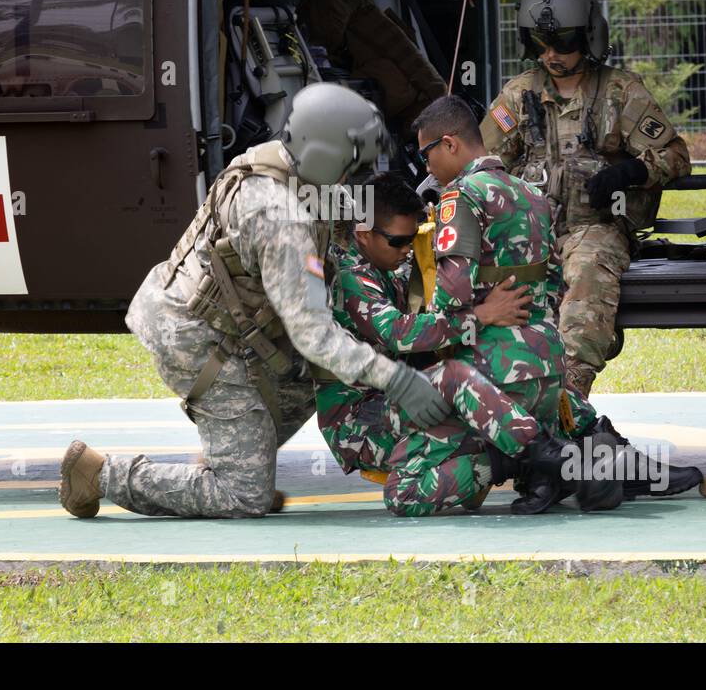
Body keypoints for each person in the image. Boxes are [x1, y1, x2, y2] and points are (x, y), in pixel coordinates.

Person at [57, 83, 451, 520]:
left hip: (220, 325)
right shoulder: (276, 218)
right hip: (195, 340)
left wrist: (418, 208)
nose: (348, 178)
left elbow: (345, 206)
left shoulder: (284, 161)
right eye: (346, 165)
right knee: (246, 498)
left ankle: (236, 458)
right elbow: (314, 336)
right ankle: (100, 473)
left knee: (310, 379)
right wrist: (397, 380)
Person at [417, 94, 702, 502]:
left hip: (494, 375)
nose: (428, 169)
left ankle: (550, 468)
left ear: (450, 144)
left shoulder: (459, 199)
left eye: (428, 155)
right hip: (548, 369)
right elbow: (554, 285)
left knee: (412, 439)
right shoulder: (530, 194)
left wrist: (466, 320)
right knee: (564, 409)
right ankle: (607, 458)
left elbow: (450, 297)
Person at [316, 172, 584, 516]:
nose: (407, 250)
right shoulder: (351, 275)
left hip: (405, 401)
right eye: (398, 241)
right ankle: (542, 458)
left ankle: (586, 443)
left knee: (512, 366)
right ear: (365, 235)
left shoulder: (390, 266)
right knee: (454, 377)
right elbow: (398, 331)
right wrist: (480, 315)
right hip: (364, 421)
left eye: (413, 239)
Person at [481, 0, 690, 400]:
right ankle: (504, 396)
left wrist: (628, 172)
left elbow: (675, 155)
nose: (551, 54)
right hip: (532, 230)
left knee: (586, 270)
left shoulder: (619, 92)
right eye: (540, 43)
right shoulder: (520, 95)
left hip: (596, 227)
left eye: (563, 42)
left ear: (589, 37)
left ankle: (570, 392)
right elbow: (483, 159)